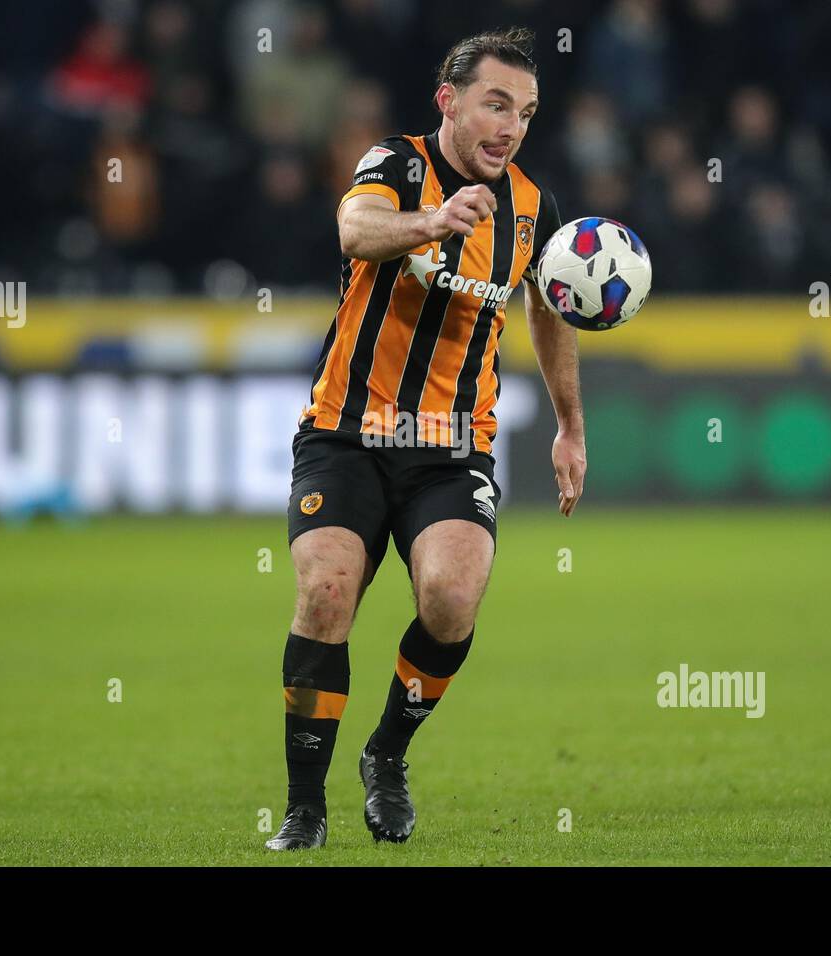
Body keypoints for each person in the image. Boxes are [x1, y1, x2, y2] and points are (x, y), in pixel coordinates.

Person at [268, 26, 586, 850]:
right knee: (327, 592)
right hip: (347, 433)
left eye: (524, 112)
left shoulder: (531, 207)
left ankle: (387, 756)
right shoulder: (397, 164)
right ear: (448, 102)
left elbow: (548, 314)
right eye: (494, 103)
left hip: (452, 446)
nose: (510, 125)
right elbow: (357, 233)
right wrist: (433, 222)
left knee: (451, 597)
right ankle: (305, 809)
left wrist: (568, 428)